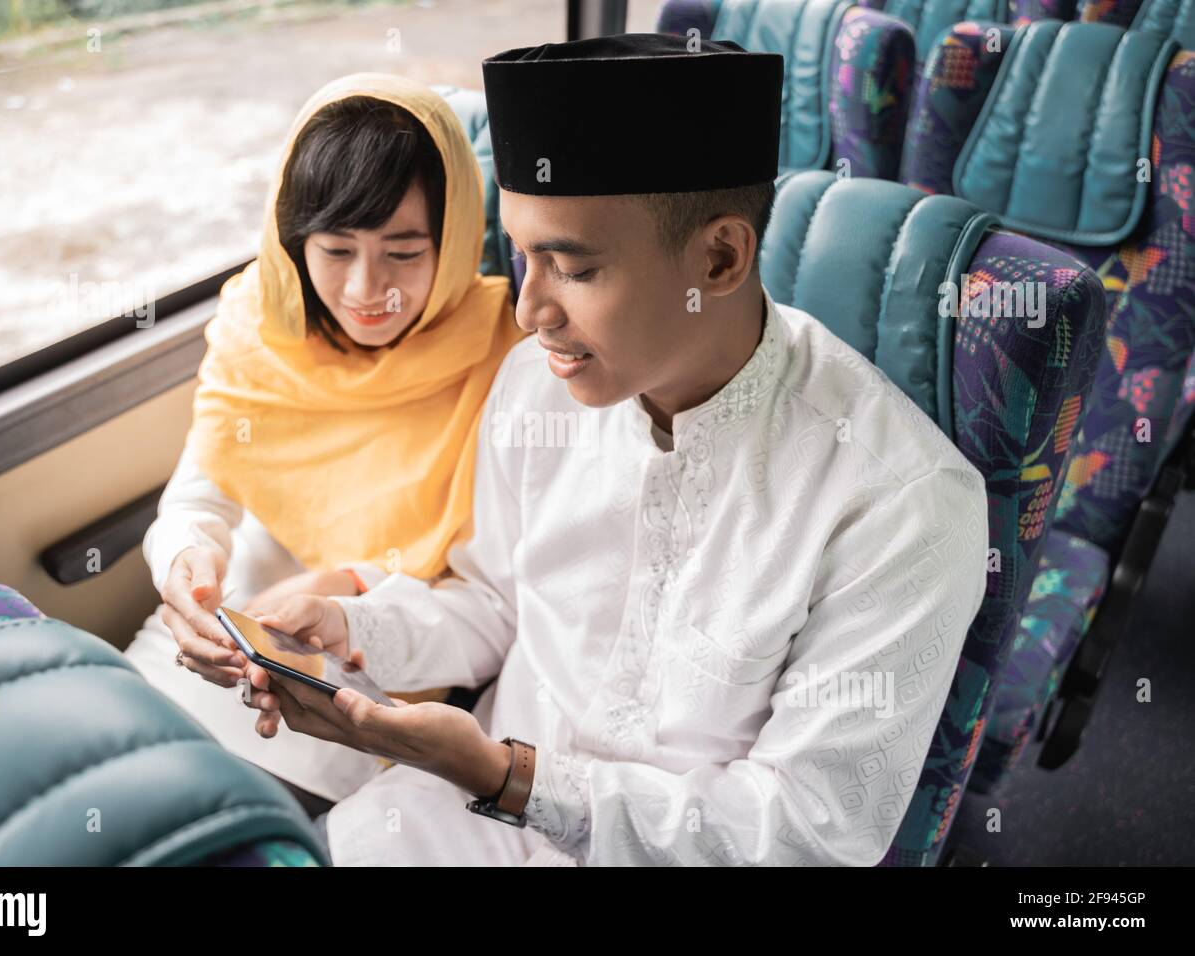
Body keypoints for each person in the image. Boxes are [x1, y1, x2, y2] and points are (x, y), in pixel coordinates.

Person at [240, 34, 990, 866]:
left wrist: (510, 777)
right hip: (453, 820)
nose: (528, 312)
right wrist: (351, 625)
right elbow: (493, 605)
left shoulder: (901, 500)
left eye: (572, 269)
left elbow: (806, 829)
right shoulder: (535, 387)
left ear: (721, 256)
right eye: (523, 258)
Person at [122, 73, 525, 812]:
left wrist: (347, 596)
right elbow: (202, 493)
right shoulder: (259, 326)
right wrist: (184, 564)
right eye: (336, 250)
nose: (367, 288)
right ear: (295, 242)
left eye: (404, 253)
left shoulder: (507, 363)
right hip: (204, 647)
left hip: (347, 698)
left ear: (458, 235)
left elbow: (489, 614)